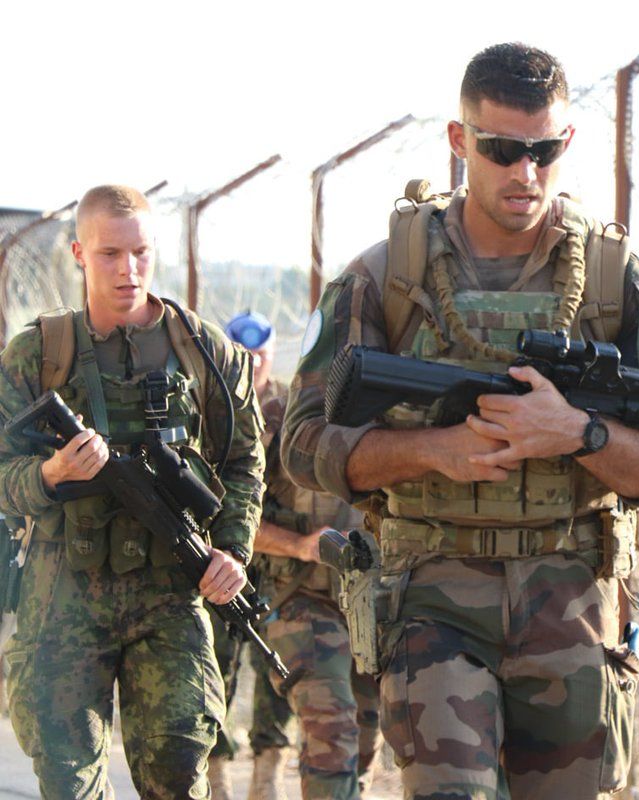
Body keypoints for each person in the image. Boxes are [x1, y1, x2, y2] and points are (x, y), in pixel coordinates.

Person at [281, 42, 639, 799]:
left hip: (570, 600)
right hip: (431, 596)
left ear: (566, 143)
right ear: (459, 141)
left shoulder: (614, 280)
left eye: (543, 151)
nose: (525, 172)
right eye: (502, 149)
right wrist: (436, 450)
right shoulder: (387, 277)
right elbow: (306, 445)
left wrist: (578, 434)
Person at [0, 184, 265, 797]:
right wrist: (49, 475)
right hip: (62, 592)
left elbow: (245, 461)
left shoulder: (205, 352)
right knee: (68, 780)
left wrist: (232, 551)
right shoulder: (37, 353)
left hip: (170, 592)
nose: (129, 270)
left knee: (178, 768)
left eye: (141, 253)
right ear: (78, 253)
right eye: (110, 254)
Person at [253, 327, 384, 799]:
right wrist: (299, 544)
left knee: (367, 734)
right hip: (301, 599)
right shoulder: (276, 422)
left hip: (374, 608)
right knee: (333, 726)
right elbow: (232, 521)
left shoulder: (395, 418)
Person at [205, 310, 298, 800]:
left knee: (276, 671)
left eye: (260, 356)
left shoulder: (288, 406)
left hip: (277, 566)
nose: (253, 364)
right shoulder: (212, 405)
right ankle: (217, 779)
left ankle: (267, 782)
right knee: (219, 669)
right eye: (243, 356)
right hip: (223, 559)